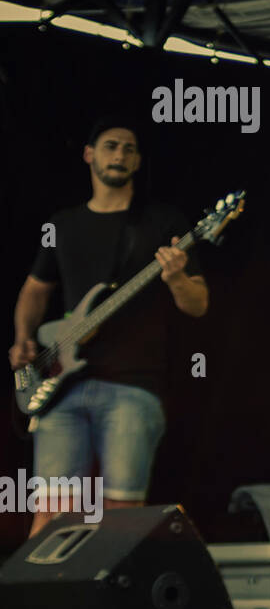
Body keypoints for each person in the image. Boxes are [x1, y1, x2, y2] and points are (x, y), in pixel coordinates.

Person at [8, 116, 209, 537]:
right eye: (111, 145)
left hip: (133, 386)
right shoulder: (61, 225)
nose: (120, 154)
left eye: (130, 149)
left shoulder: (163, 222)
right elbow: (34, 290)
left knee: (119, 519)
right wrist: (24, 339)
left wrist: (175, 279)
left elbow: (198, 304)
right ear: (89, 154)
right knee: (51, 515)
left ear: (137, 162)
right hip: (60, 387)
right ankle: (45, 602)